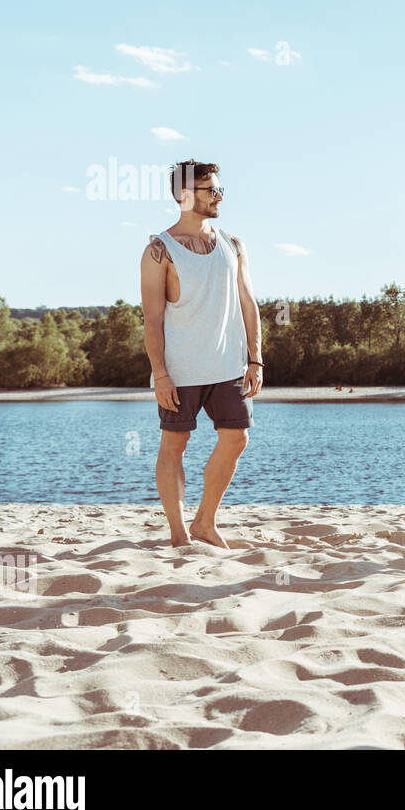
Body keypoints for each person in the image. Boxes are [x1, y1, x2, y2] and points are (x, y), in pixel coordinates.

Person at [140, 159, 263, 548]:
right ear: (184, 195)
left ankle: (204, 522)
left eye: (219, 188)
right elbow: (152, 318)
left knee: (237, 438)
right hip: (181, 370)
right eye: (212, 190)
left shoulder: (233, 244)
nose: (219, 196)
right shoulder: (159, 250)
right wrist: (160, 373)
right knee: (174, 445)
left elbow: (248, 303)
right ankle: (178, 534)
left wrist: (256, 358)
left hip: (229, 365)